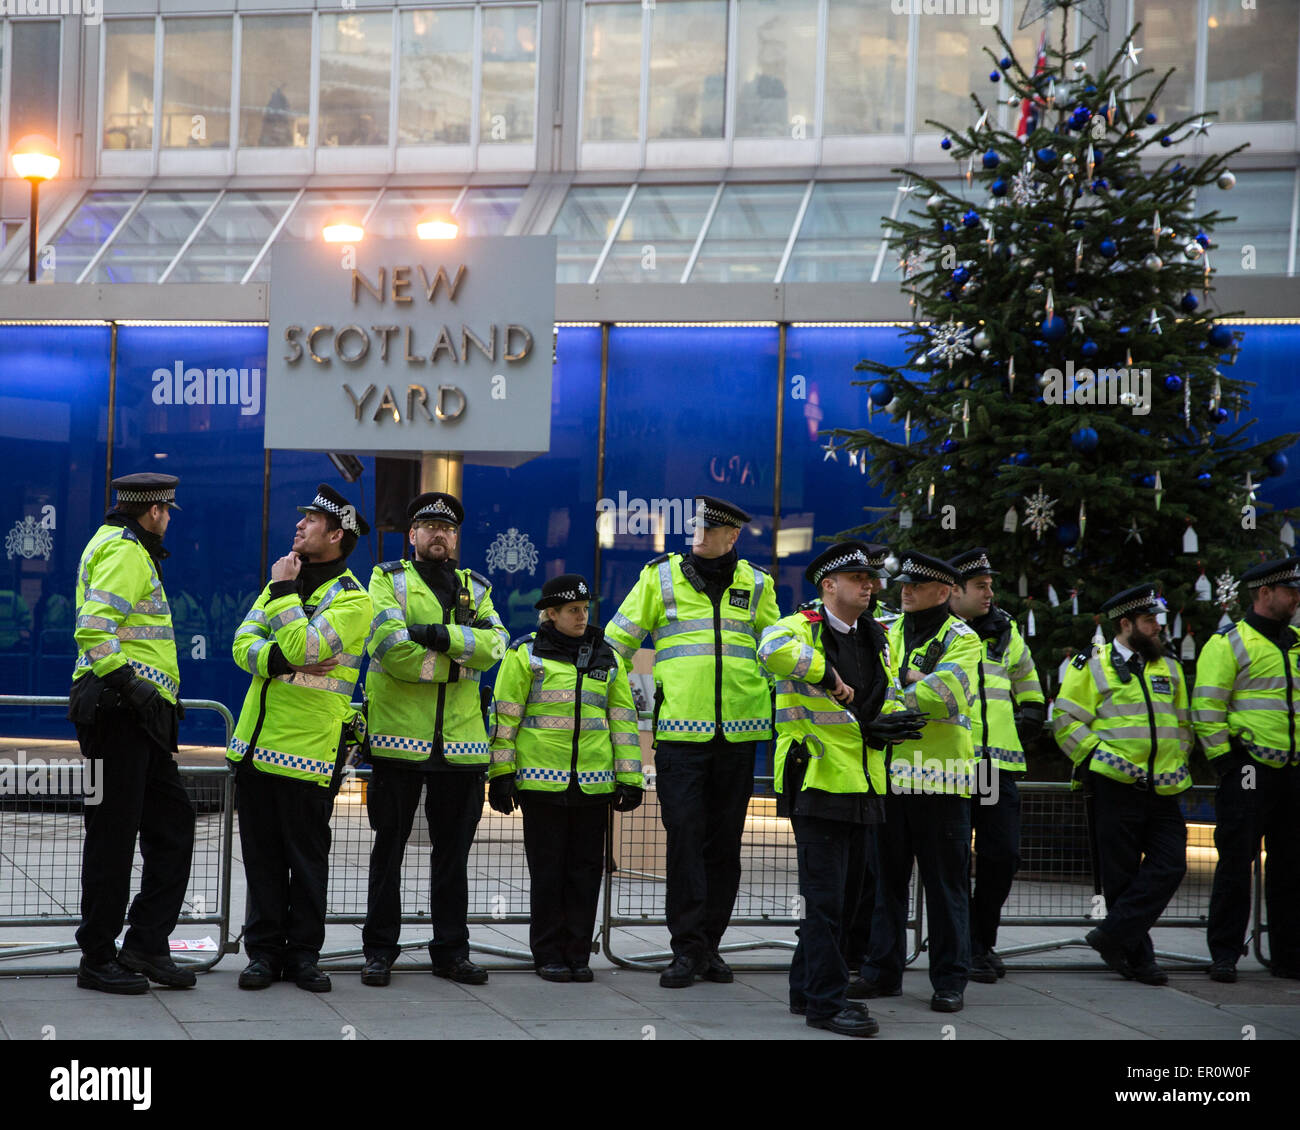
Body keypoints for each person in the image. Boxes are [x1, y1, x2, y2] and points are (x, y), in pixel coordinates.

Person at [605, 495, 781, 988]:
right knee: (684, 839)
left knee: (724, 846)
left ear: (734, 535)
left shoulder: (758, 583)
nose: (700, 532)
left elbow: (779, 656)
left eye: (712, 526)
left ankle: (710, 948)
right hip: (681, 735)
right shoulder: (660, 577)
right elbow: (616, 644)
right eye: (697, 524)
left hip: (741, 734)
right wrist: (625, 708)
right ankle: (685, 949)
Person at [758, 542, 926, 1037]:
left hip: (865, 783)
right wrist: (825, 673)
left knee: (846, 904)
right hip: (817, 781)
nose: (870, 585)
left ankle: (803, 990)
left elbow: (884, 697)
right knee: (826, 903)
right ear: (829, 585)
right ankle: (826, 1006)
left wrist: (887, 723)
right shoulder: (800, 628)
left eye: (871, 578)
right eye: (858, 578)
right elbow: (768, 649)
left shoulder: (878, 636)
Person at [361, 491, 508, 987]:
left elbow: (496, 647)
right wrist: (456, 663)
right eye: (428, 526)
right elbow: (391, 649)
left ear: (455, 537)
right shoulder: (387, 579)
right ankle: (380, 950)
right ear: (413, 536)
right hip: (397, 744)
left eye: (447, 528)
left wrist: (438, 636)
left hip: (462, 748)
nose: (439, 534)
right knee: (389, 852)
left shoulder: (476, 589)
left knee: (453, 858)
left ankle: (451, 951)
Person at [229, 483, 372, 993]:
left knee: (306, 862)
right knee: (263, 860)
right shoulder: (278, 584)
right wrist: (278, 657)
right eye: (302, 518)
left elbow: (307, 643)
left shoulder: (355, 600)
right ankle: (263, 955)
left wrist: (286, 607)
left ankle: (305, 956)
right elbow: (242, 645)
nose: (299, 524)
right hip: (254, 749)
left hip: (310, 753)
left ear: (336, 535)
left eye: (311, 520)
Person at [68, 473, 195, 994]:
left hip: (136, 716)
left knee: (172, 827)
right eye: (166, 510)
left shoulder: (129, 549)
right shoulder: (123, 551)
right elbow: (94, 629)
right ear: (154, 511)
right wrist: (132, 685)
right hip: (118, 713)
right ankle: (98, 956)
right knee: (113, 837)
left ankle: (144, 944)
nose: (167, 519)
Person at [487, 574, 643, 982]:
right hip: (542, 786)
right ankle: (548, 954)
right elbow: (505, 717)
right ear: (550, 613)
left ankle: (578, 953)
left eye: (585, 609)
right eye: (573, 610)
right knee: (548, 871)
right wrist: (501, 773)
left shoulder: (606, 657)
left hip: (594, 786)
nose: (581, 616)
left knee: (586, 871)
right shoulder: (526, 655)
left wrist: (630, 778)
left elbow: (622, 720)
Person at [860, 551, 982, 1013]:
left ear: (945, 591)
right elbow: (867, 682)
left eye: (917, 584)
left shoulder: (963, 638)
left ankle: (951, 980)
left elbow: (946, 695)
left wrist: (894, 690)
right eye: (904, 584)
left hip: (941, 782)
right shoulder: (885, 629)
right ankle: (881, 972)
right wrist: (910, 681)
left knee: (946, 886)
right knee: (884, 883)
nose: (905, 590)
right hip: (887, 779)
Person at [1053, 583, 1192, 986]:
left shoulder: (1168, 666)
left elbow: (1183, 725)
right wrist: (1100, 757)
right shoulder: (1091, 664)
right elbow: (1064, 722)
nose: (1157, 628)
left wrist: (1178, 758)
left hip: (1163, 789)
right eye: (1149, 621)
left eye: (1158, 621)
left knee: (1170, 866)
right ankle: (1137, 958)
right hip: (1113, 787)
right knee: (1121, 877)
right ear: (1126, 623)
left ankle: (1111, 935)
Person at [1191, 556, 1300, 982]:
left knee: (1292, 866)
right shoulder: (1229, 643)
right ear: (1264, 593)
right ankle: (1224, 954)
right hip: (1249, 769)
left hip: (1293, 771)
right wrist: (1229, 764)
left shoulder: (1296, 642)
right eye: (1289, 591)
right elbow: (1206, 708)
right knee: (1236, 863)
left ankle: (1289, 956)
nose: (1296, 599)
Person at [947, 548, 1044, 983]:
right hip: (947, 762)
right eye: (981, 586)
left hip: (993, 765)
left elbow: (1027, 677)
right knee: (948, 860)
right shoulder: (940, 630)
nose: (990, 593)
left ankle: (979, 939)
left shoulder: (1005, 630)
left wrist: (1034, 710)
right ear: (955, 590)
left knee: (1001, 856)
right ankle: (961, 946)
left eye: (991, 586)